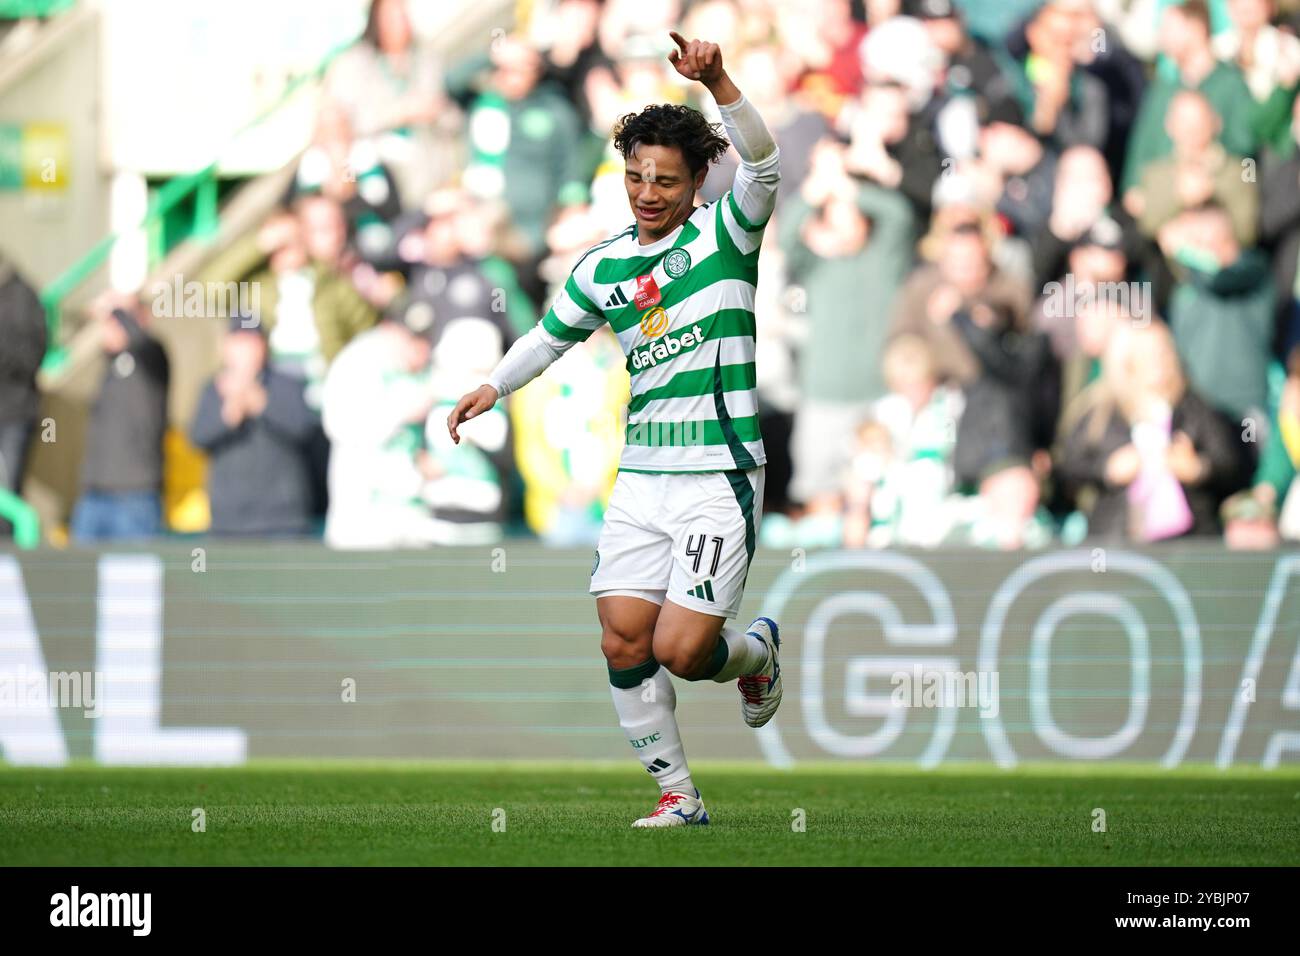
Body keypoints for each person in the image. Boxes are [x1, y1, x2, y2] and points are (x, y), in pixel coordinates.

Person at [448, 32, 781, 828]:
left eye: (665, 179)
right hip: (642, 477)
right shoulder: (602, 267)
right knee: (623, 639)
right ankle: (679, 797)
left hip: (719, 472)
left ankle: (757, 655)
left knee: (682, 650)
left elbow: (764, 164)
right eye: (636, 176)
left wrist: (721, 81)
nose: (647, 192)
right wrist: (493, 384)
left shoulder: (727, 234)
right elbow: (549, 335)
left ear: (699, 178)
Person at [190, 316, 318, 537]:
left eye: (251, 342)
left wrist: (262, 404)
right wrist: (229, 415)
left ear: (263, 346)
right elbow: (198, 437)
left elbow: (304, 430)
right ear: (227, 346)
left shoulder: (286, 384)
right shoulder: (214, 388)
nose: (245, 351)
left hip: (283, 519)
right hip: (229, 520)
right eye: (239, 342)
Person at [71, 294, 169, 542]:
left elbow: (142, 342)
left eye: (117, 321)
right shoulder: (110, 369)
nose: (109, 329)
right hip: (94, 495)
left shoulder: (153, 358)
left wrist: (115, 309)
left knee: (134, 579)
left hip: (135, 497)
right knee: (80, 578)